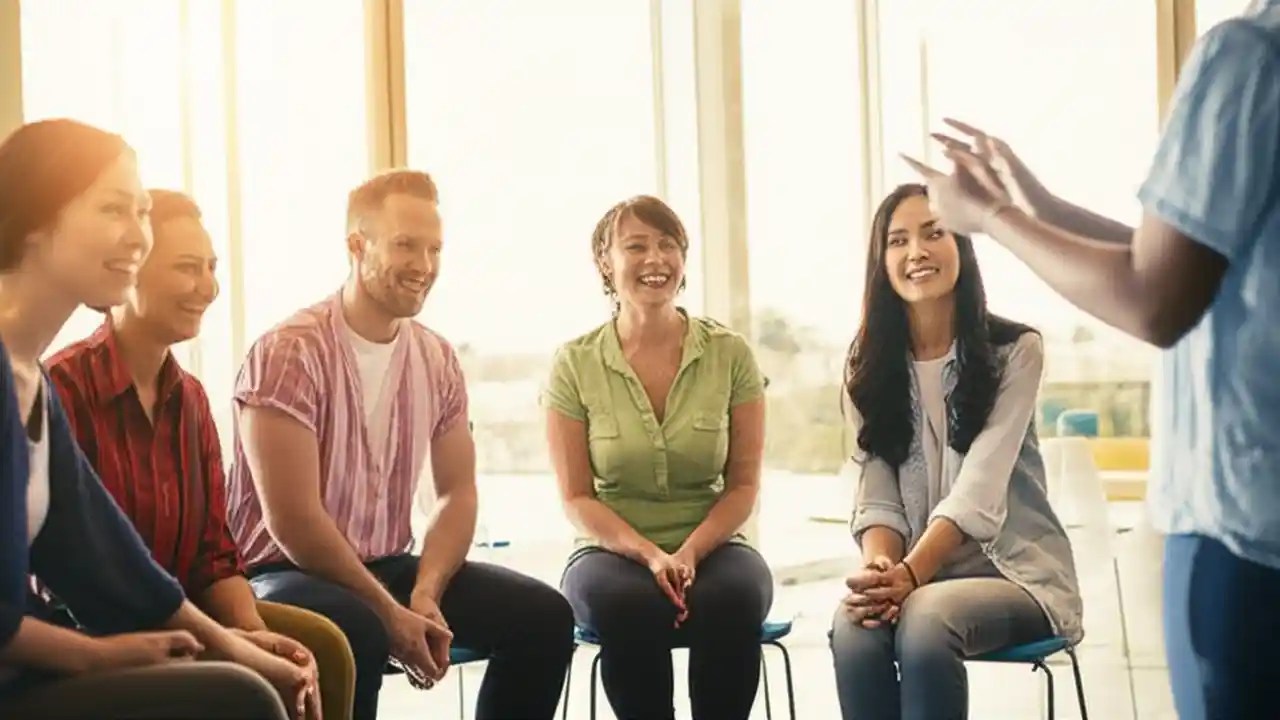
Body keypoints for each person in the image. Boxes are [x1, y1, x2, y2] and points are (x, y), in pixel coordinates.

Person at [904, 3, 1279, 716]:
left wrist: (993, 218)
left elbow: (1156, 297)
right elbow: (1186, 259)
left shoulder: (1249, 57)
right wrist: (1035, 204)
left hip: (1246, 538)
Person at [226, 169, 575, 720]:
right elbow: (291, 520)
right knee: (359, 630)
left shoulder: (436, 358)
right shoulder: (287, 352)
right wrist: (389, 614)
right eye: (405, 245)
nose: (425, 265)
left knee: (545, 618)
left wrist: (426, 594)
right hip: (279, 573)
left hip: (387, 564)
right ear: (356, 245)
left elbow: (456, 493)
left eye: (434, 248)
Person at [0, 119, 317, 719]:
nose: (138, 237)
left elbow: (114, 567)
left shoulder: (30, 385)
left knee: (257, 680)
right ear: (39, 220)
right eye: (115, 209)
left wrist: (238, 646)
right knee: (238, 700)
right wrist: (96, 656)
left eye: (143, 213)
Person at [46, 189, 356, 720]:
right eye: (188, 268)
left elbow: (213, 556)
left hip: (185, 615)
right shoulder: (63, 388)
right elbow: (72, 576)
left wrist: (257, 636)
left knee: (321, 647)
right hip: (91, 630)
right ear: (132, 272)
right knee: (250, 688)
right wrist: (225, 644)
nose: (208, 288)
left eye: (211, 268)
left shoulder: (189, 399)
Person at [830, 184, 1082, 720]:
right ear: (882, 263)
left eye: (933, 233)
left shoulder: (1015, 352)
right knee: (853, 626)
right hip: (916, 577)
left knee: (924, 621)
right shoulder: (866, 365)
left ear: (961, 247)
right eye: (897, 241)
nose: (916, 251)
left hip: (1015, 575)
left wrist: (910, 576)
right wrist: (882, 568)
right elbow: (875, 491)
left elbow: (979, 492)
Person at [545, 195, 773, 720]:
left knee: (734, 600)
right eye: (636, 246)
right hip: (610, 552)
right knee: (629, 607)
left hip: (714, 546)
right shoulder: (574, 364)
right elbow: (577, 497)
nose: (656, 259)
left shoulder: (729, 353)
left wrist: (689, 553)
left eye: (668, 244)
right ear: (606, 261)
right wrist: (650, 555)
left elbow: (742, 487)